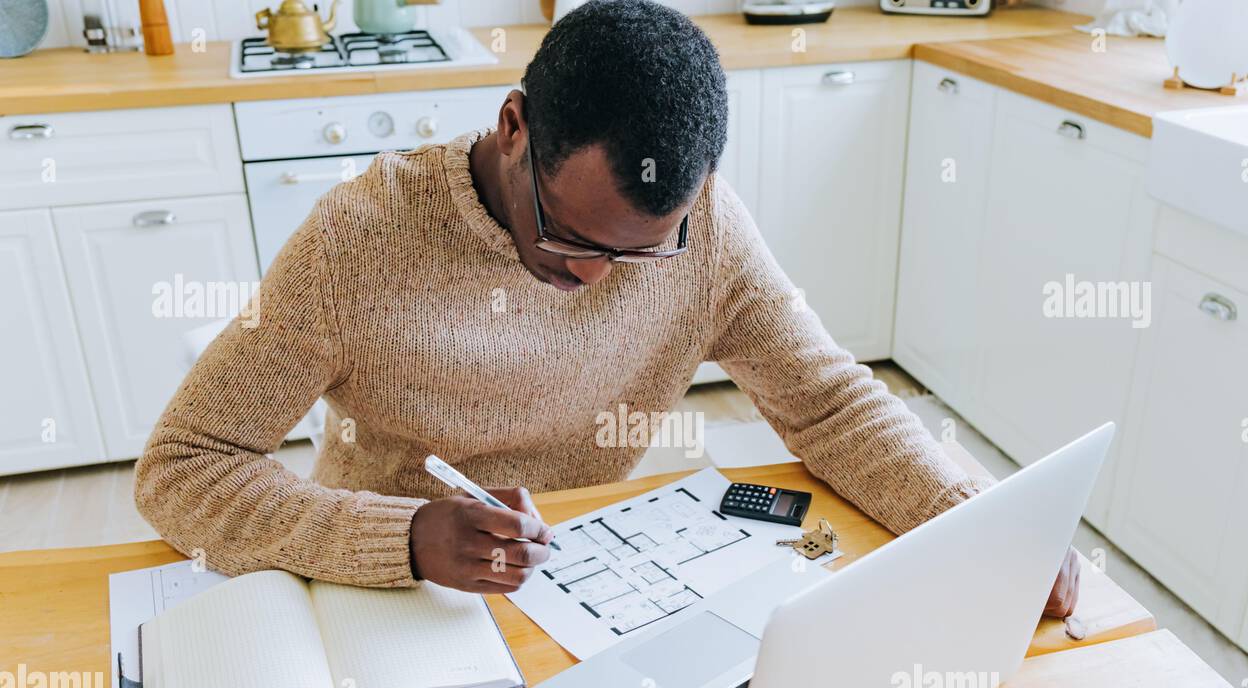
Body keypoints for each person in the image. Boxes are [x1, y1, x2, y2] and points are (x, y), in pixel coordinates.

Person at [134, 0, 1079, 616]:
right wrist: (404, 538)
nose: (597, 279)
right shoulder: (359, 242)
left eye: (639, 252)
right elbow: (182, 470)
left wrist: (981, 525)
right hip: (391, 596)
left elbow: (827, 401)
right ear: (514, 128)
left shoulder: (702, 225)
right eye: (572, 238)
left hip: (595, 577)